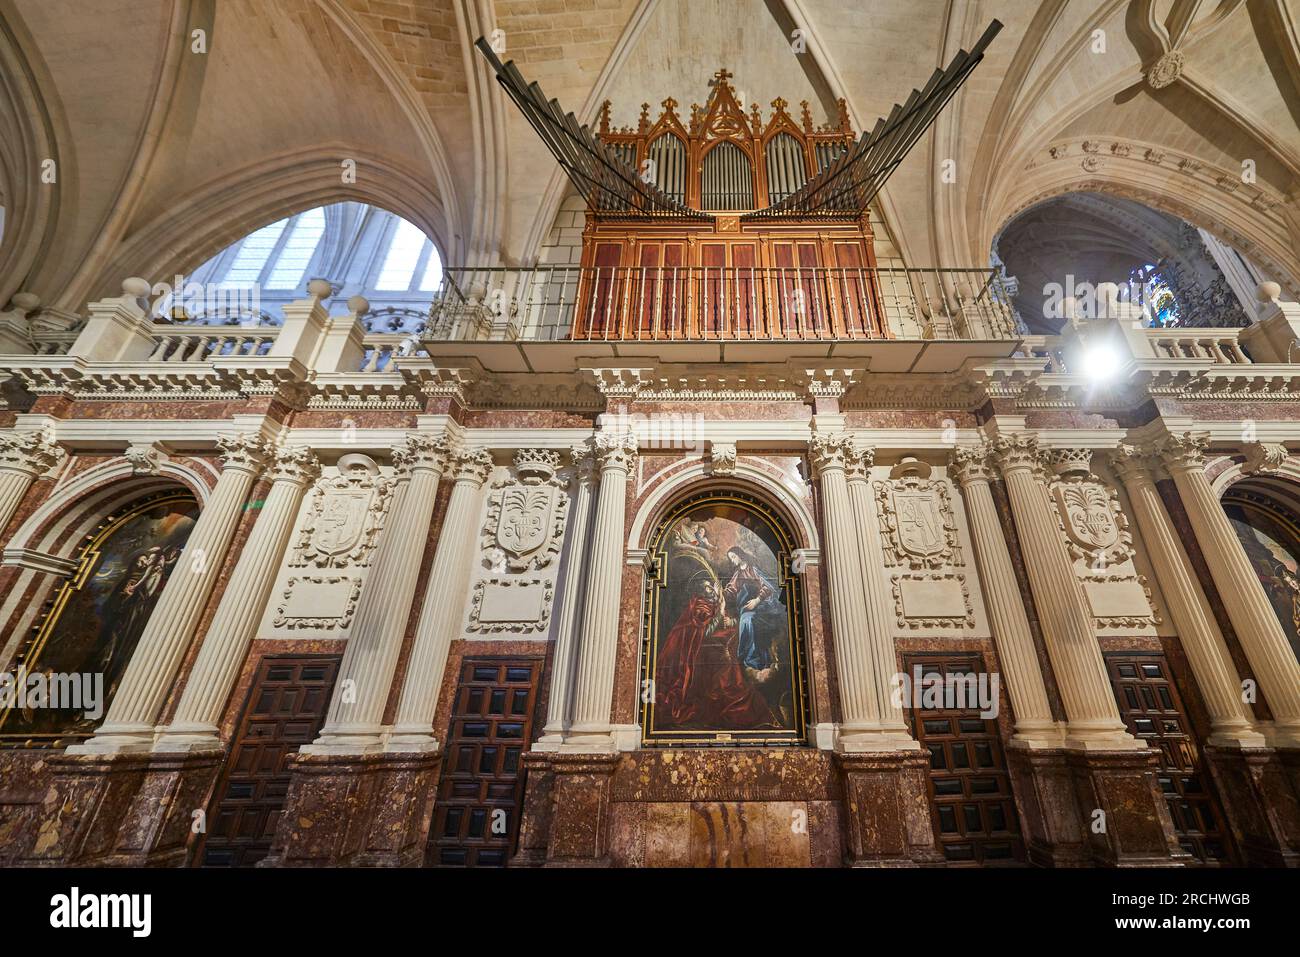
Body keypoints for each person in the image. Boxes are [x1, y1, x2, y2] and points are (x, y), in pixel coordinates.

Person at [655, 574, 775, 730]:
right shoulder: (699, 606)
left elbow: (723, 623)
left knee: (736, 637)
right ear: (701, 592)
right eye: (707, 587)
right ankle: (732, 693)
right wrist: (722, 608)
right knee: (723, 660)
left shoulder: (712, 602)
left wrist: (728, 617)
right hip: (699, 648)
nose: (711, 589)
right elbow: (706, 631)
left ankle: (746, 673)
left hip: (710, 641)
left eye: (711, 586)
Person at [722, 546, 783, 679]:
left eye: (733, 557)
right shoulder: (738, 573)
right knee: (745, 617)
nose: (732, 560)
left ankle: (751, 658)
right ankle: (747, 657)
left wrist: (757, 600)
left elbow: (768, 586)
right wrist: (721, 593)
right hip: (748, 607)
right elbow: (731, 590)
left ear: (739, 555)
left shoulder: (754, 569)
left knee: (747, 619)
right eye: (730, 558)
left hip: (763, 606)